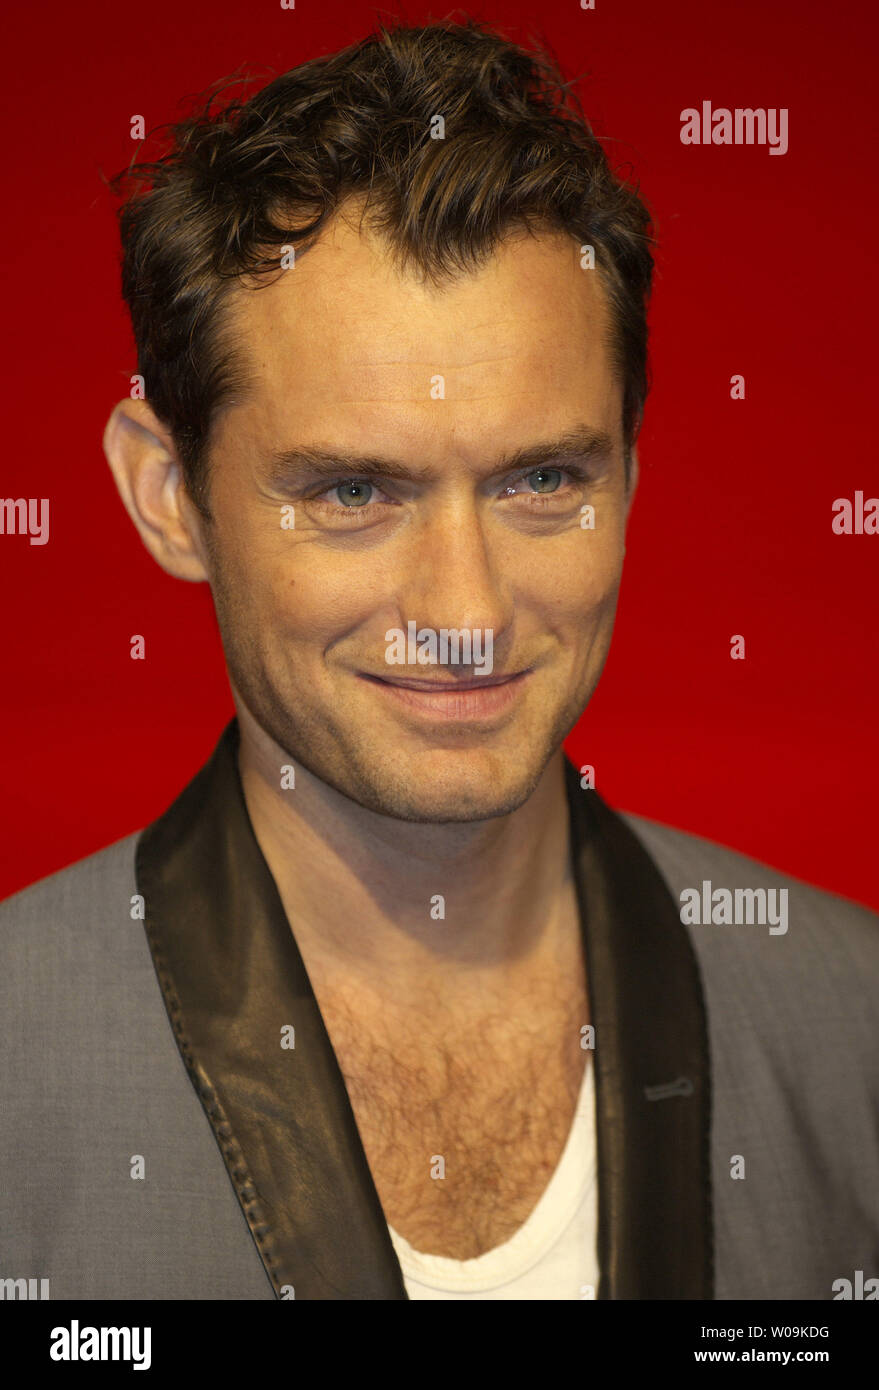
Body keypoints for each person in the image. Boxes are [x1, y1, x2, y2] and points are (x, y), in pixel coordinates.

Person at [1, 18, 877, 1303]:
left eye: (541, 478)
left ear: (628, 473)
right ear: (168, 496)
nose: (464, 605)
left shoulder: (854, 1024)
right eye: (356, 489)